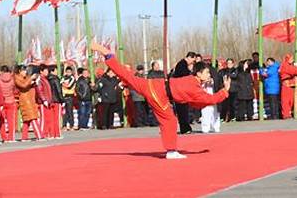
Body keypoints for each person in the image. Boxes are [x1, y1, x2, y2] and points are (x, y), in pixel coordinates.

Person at [91, 41, 231, 159]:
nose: (208, 75)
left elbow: (196, 101)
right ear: (199, 74)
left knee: (129, 77)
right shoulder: (194, 85)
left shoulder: (193, 82)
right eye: (206, 72)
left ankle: (108, 55)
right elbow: (209, 99)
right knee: (169, 120)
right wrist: (225, 91)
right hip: (159, 93)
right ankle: (171, 150)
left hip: (155, 85)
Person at [14, 65, 42, 141]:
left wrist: (34, 81)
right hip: (25, 99)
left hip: (29, 98)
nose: (26, 72)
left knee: (27, 120)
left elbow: (27, 84)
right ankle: (39, 135)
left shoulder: (24, 78)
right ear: (20, 71)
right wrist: (31, 78)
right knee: (33, 117)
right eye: (24, 71)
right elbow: (23, 85)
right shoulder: (17, 78)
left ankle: (24, 137)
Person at [172, 52, 197, 134]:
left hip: (180, 91)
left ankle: (185, 127)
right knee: (182, 110)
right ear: (189, 57)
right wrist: (190, 71)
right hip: (179, 91)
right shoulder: (182, 64)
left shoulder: (182, 64)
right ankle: (185, 128)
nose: (192, 63)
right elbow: (184, 76)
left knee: (183, 110)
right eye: (193, 60)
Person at [279, 54, 297, 119]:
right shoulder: (285, 65)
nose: (292, 60)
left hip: (292, 84)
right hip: (286, 84)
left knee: (294, 99)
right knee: (286, 100)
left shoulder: (289, 65)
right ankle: (286, 114)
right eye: (291, 59)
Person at [0, 65, 17, 142]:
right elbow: (15, 90)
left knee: (1, 121)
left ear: (1, 71)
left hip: (1, 102)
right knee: (11, 121)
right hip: (11, 100)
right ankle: (11, 137)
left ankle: (4, 137)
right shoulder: (12, 79)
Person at [36, 64, 53, 138]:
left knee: (48, 118)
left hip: (48, 101)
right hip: (43, 102)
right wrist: (44, 100)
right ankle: (42, 133)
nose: (47, 72)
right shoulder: (39, 79)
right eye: (45, 70)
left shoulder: (45, 79)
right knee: (43, 118)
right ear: (41, 71)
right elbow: (40, 90)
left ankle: (47, 133)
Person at [47, 65, 64, 138]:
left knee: (51, 118)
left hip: (50, 100)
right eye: (56, 70)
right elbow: (59, 91)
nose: (57, 72)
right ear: (53, 71)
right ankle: (57, 134)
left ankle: (51, 134)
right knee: (57, 118)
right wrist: (62, 100)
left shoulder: (47, 79)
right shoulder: (55, 79)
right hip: (56, 100)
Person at [61, 67, 76, 131]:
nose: (68, 73)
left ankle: (71, 125)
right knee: (64, 112)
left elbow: (69, 86)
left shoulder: (72, 78)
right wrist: (64, 84)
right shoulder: (63, 77)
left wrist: (64, 84)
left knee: (70, 111)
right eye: (67, 72)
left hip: (70, 96)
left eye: (69, 72)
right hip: (64, 97)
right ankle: (64, 125)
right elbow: (60, 83)